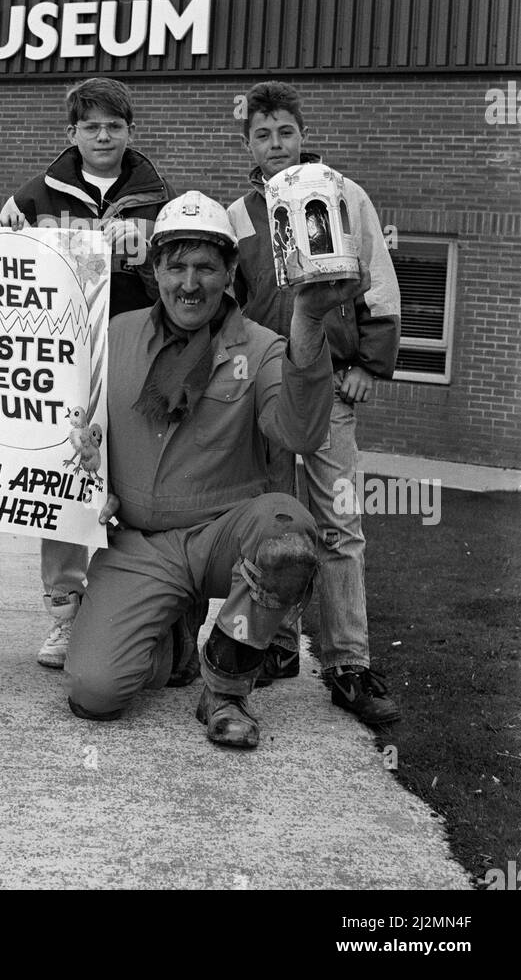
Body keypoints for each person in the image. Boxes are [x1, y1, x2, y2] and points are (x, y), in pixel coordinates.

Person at [65, 190, 366, 748]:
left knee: (288, 537)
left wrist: (308, 316)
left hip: (224, 537)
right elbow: (68, 424)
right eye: (175, 266)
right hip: (138, 543)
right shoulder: (112, 336)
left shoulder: (263, 346)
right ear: (154, 271)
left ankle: (226, 688)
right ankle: (174, 642)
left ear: (229, 272)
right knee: (94, 692)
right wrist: (88, 474)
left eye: (205, 266)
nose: (189, 282)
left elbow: (300, 433)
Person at [228, 80, 401, 725]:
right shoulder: (239, 214)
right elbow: (230, 302)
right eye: (263, 135)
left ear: (303, 135)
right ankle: (273, 646)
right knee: (275, 520)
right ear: (247, 142)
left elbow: (377, 281)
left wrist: (366, 365)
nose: (276, 145)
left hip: (332, 386)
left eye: (286, 133)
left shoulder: (343, 194)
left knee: (339, 523)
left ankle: (347, 662)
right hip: (270, 387)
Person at [0, 77, 175, 668]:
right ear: (71, 132)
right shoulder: (33, 196)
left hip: (138, 361)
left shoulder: (161, 199)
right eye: (91, 126)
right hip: (63, 363)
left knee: (138, 485)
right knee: (68, 488)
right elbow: (0, 270)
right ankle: (64, 617)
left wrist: (148, 246)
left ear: (131, 131)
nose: (104, 136)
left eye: (115, 126)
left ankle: (138, 616)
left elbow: (186, 285)